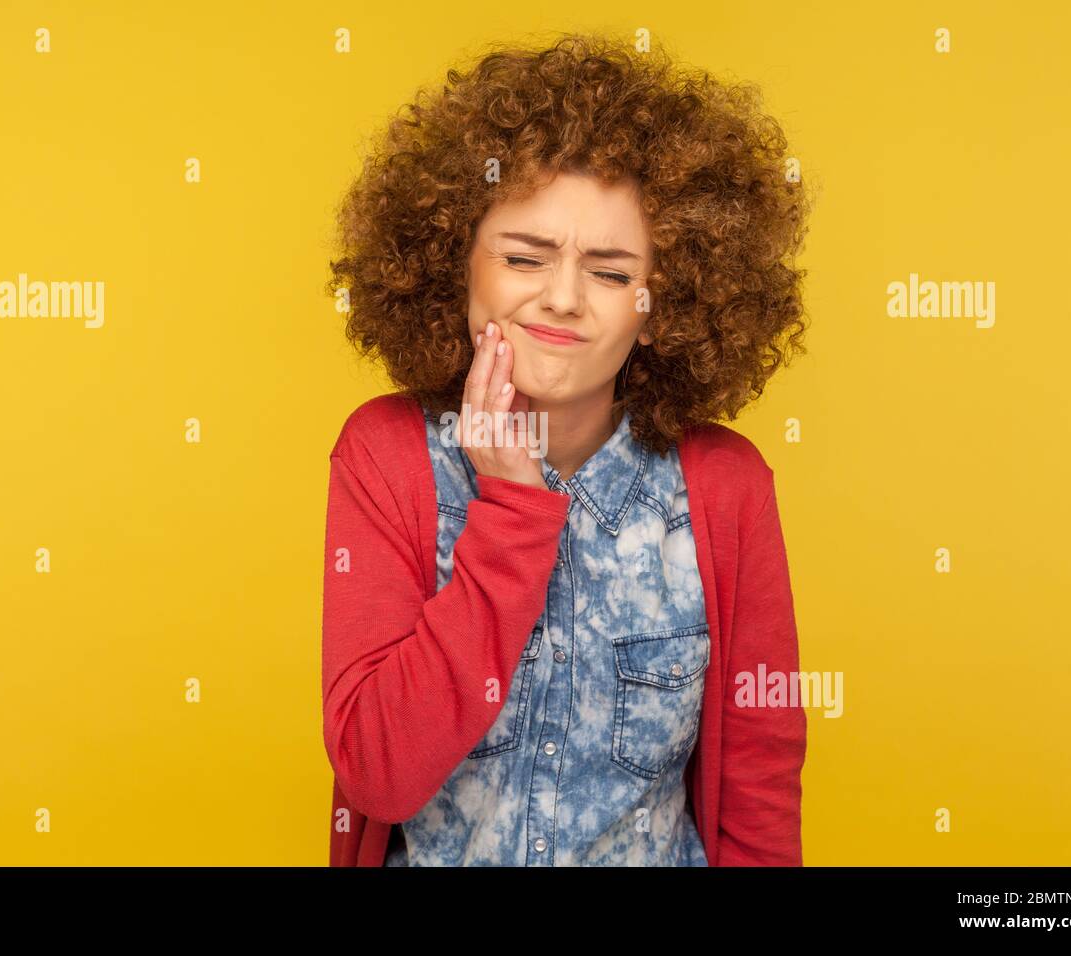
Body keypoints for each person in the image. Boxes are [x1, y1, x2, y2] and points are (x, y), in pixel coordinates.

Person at [321, 32, 812, 866]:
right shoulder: (387, 456)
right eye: (522, 258)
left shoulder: (725, 489)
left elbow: (760, 781)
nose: (562, 299)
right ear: (458, 267)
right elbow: (378, 774)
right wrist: (511, 506)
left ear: (662, 305)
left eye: (614, 274)